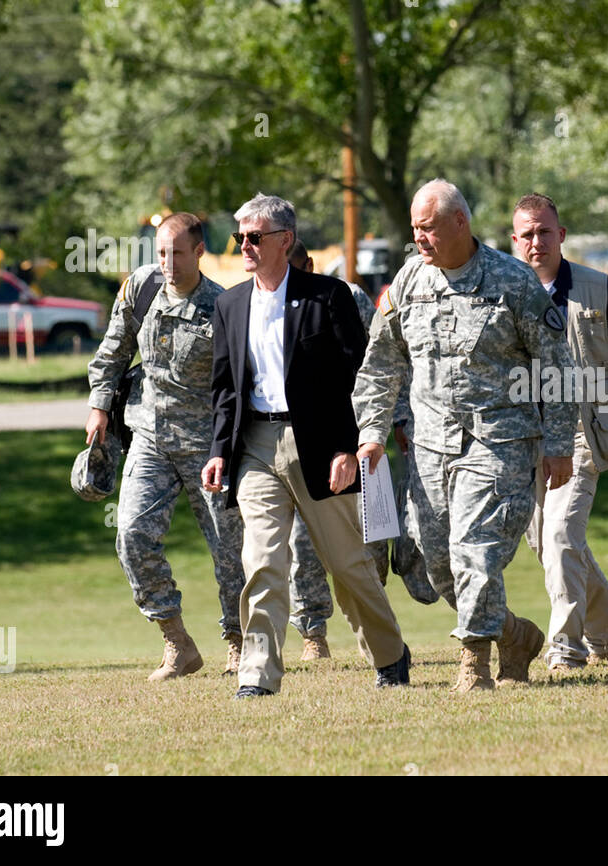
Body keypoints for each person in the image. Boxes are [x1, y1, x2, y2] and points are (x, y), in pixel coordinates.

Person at [353, 178, 577, 692]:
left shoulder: (513, 282)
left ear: (460, 223)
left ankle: (474, 664)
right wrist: (371, 432)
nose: (419, 240)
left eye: (427, 228)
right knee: (440, 570)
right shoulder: (408, 283)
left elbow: (557, 367)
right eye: (414, 230)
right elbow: (381, 364)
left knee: (475, 550)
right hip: (430, 448)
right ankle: (515, 635)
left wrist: (560, 443)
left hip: (500, 442)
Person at [202, 193, 409, 697]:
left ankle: (390, 654)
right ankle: (257, 676)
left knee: (347, 564)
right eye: (239, 237)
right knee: (264, 561)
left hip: (318, 443)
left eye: (254, 237)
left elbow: (358, 379)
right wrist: (217, 451)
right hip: (254, 445)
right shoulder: (229, 305)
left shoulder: (329, 297)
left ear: (285, 240)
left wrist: (347, 447)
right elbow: (225, 388)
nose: (244, 246)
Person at [85, 212, 244, 681]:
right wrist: (98, 406)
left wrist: (228, 446)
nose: (168, 263)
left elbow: (235, 385)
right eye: (160, 253)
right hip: (150, 438)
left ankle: (238, 642)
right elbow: (113, 351)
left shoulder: (223, 306)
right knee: (131, 534)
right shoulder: (141, 289)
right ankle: (177, 643)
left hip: (207, 446)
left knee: (230, 551)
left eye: (177, 253)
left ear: (199, 252)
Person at [510, 193, 608, 673]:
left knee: (559, 534)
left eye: (545, 232)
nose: (537, 242)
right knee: (551, 541)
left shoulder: (597, 287)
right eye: (527, 234)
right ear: (515, 240)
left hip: (582, 435)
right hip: (523, 440)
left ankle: (566, 649)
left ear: (562, 235)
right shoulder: (503, 291)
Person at [279, 239, 389, 660]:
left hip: (357, 439)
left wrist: (388, 425)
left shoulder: (348, 297)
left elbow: (378, 364)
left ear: (307, 264)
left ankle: (375, 625)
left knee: (367, 541)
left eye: (292, 266)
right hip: (300, 444)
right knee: (302, 543)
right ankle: (313, 634)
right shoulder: (264, 303)